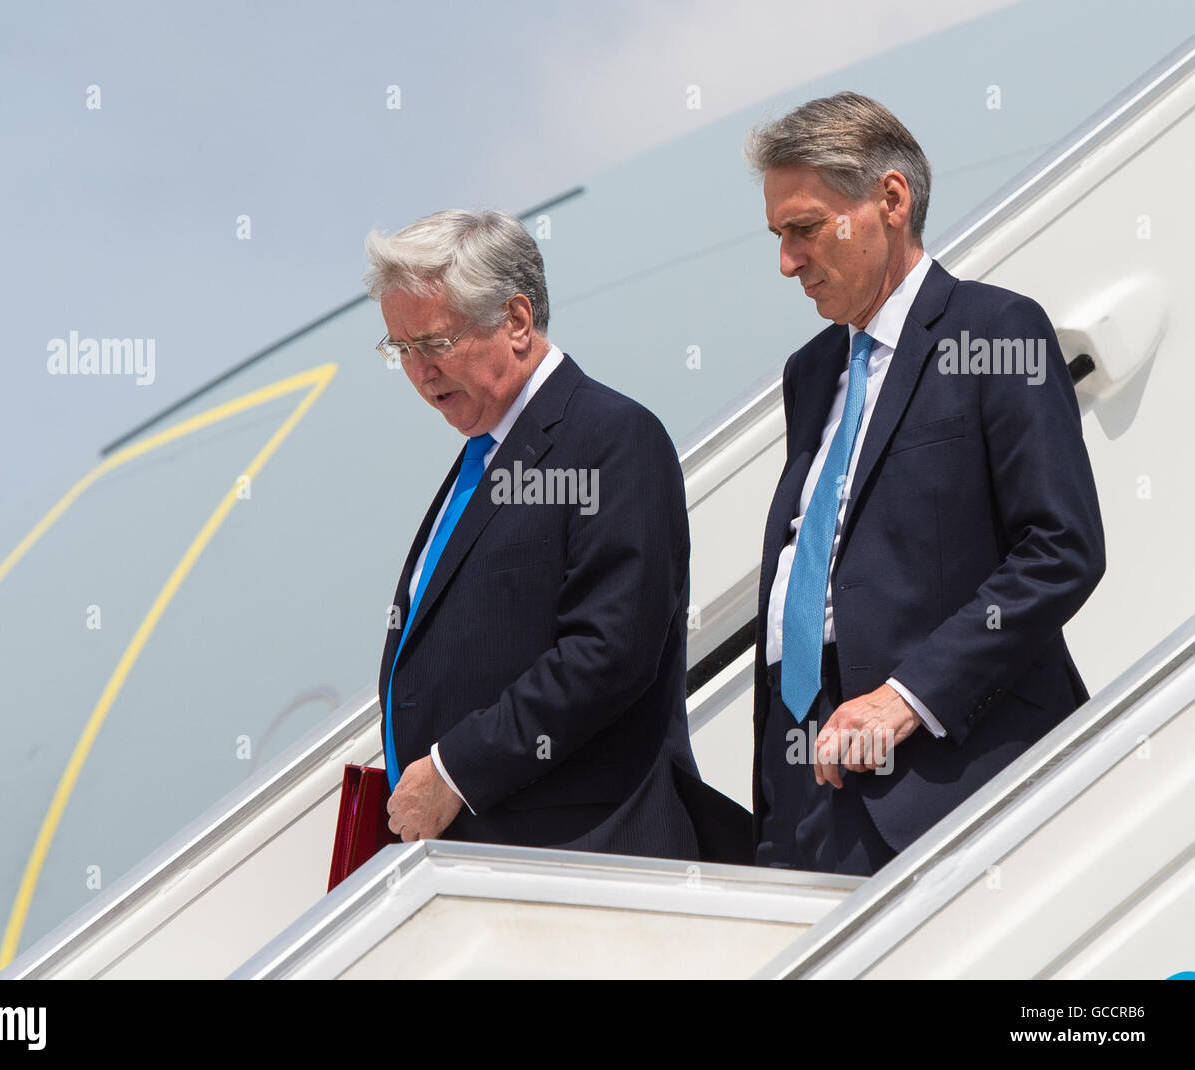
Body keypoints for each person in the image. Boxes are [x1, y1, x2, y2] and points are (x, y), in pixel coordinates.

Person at [746, 92, 1107, 876]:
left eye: (804, 229)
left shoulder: (995, 332)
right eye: (778, 237)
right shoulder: (809, 375)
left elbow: (1060, 549)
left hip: (954, 778)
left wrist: (907, 697)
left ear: (891, 199)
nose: (787, 261)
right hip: (808, 789)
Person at [366, 208, 750, 862]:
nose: (419, 372)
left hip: (580, 856)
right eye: (401, 350)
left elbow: (611, 649)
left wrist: (458, 770)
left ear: (515, 322)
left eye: (432, 342)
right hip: (478, 856)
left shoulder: (611, 438)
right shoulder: (482, 457)